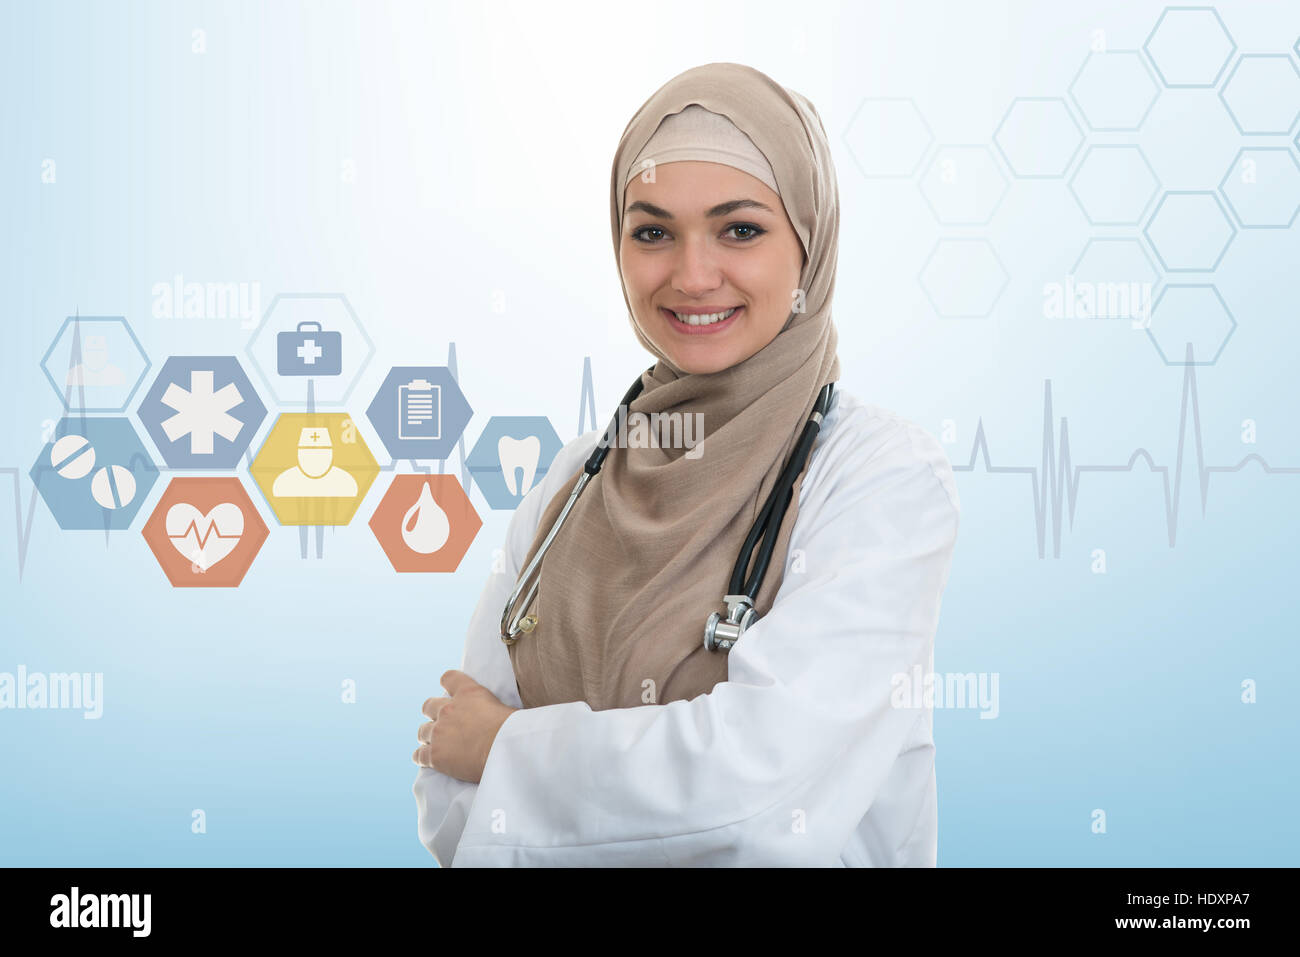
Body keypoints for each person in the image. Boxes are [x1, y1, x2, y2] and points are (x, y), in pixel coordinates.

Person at [412, 62, 961, 866]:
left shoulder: (879, 478)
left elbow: (756, 793)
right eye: (653, 231)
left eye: (740, 229)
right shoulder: (577, 483)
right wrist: (534, 770)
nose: (692, 275)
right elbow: (447, 797)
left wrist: (511, 754)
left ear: (809, 244)